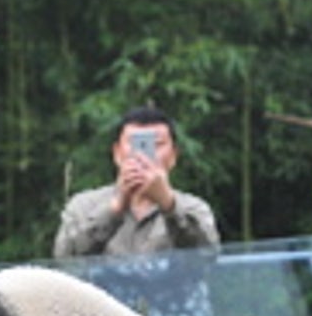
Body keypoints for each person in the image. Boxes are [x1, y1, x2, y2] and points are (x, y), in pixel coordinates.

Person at [53, 106, 220, 258]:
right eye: (136, 144)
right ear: (117, 153)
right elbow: (64, 260)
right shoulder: (83, 206)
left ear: (173, 156)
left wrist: (169, 206)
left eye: (157, 144)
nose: (146, 154)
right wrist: (115, 209)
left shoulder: (194, 208)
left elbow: (207, 258)